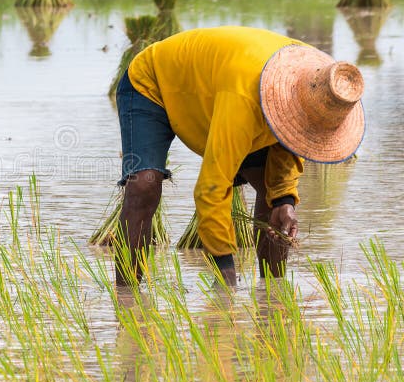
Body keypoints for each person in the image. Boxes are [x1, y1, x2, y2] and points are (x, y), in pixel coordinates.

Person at [115, 26, 365, 286]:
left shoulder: (313, 81)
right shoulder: (244, 99)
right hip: (153, 84)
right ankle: (126, 299)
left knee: (274, 199)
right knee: (144, 184)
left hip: (215, 89)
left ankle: (273, 291)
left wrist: (284, 200)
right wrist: (225, 274)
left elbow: (286, 150)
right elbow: (211, 187)